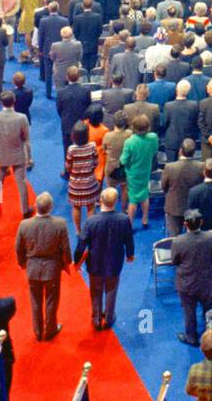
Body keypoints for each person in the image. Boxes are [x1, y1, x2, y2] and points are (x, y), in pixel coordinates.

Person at [74, 187, 135, 330]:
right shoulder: (124, 219)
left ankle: (96, 319)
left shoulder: (91, 221)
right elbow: (129, 240)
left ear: (100, 200)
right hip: (114, 262)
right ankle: (108, 318)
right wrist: (130, 254)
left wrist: (76, 261)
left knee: (95, 291)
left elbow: (81, 243)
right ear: (116, 201)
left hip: (95, 263)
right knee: (111, 290)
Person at [14, 191, 71, 342]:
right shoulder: (60, 224)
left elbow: (18, 248)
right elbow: (66, 248)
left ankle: (38, 331)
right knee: (52, 300)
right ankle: (50, 329)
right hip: (52, 270)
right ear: (51, 207)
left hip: (32, 269)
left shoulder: (24, 224)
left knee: (35, 301)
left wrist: (22, 263)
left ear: (35, 206)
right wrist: (67, 263)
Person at [171, 208, 212, 346]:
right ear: (202, 222)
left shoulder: (178, 241)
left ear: (185, 224)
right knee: (208, 309)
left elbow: (174, 261)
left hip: (187, 282)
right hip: (207, 280)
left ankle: (191, 338)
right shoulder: (211, 237)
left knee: (189, 311)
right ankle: (210, 336)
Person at [0, 90, 32, 219]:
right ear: (14, 102)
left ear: (1, 103)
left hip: (0, 153)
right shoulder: (22, 117)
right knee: (21, 182)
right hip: (17, 154)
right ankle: (25, 210)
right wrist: (29, 158)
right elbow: (25, 137)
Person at [161, 139, 205, 238]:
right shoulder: (201, 166)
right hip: (193, 207)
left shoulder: (169, 167)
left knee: (174, 238)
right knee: (193, 238)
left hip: (174, 207)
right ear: (194, 153)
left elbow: (163, 187)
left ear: (180, 151)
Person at [121, 114, 159, 228]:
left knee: (133, 199)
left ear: (133, 127)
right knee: (144, 194)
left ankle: (130, 224)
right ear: (148, 127)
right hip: (146, 170)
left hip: (133, 173)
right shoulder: (153, 137)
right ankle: (145, 219)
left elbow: (123, 161)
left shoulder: (129, 142)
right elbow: (155, 150)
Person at [65, 121, 99, 234]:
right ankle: (90, 231)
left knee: (76, 207)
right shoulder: (92, 146)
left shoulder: (71, 149)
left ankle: (78, 231)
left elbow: (68, 167)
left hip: (75, 185)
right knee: (91, 207)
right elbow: (96, 163)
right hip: (90, 183)